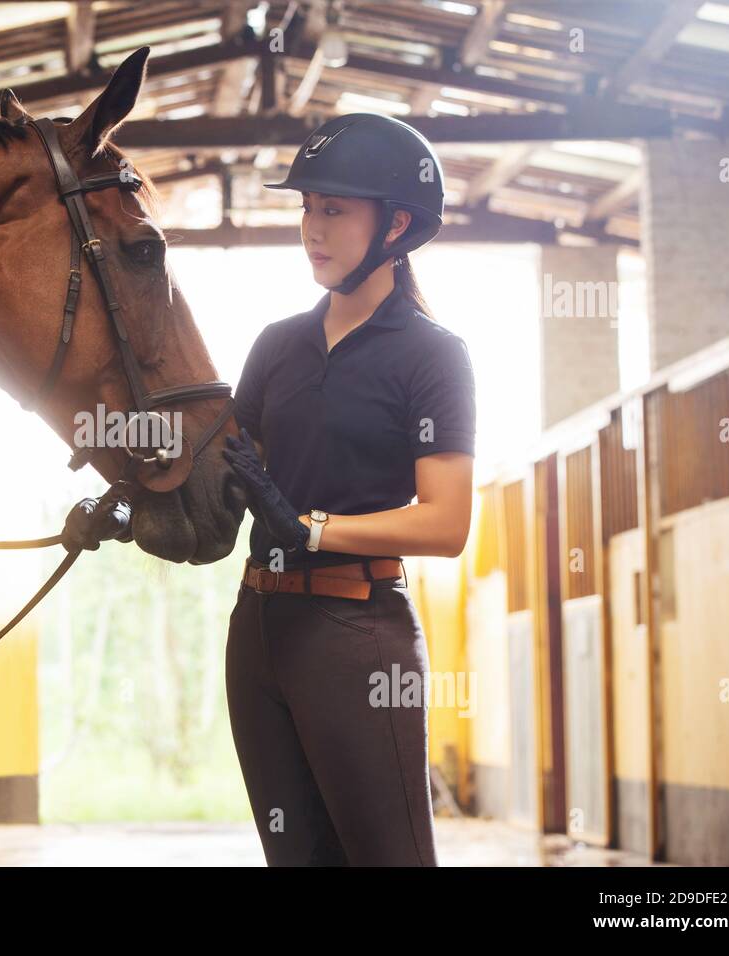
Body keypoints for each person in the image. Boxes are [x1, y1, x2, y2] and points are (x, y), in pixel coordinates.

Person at [220, 113, 476, 866]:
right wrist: (132, 495)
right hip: (258, 630)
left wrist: (313, 530)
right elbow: (234, 477)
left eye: (333, 209)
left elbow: (446, 523)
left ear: (396, 224)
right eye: (306, 208)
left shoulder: (432, 357)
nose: (311, 228)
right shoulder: (276, 345)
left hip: (358, 636)